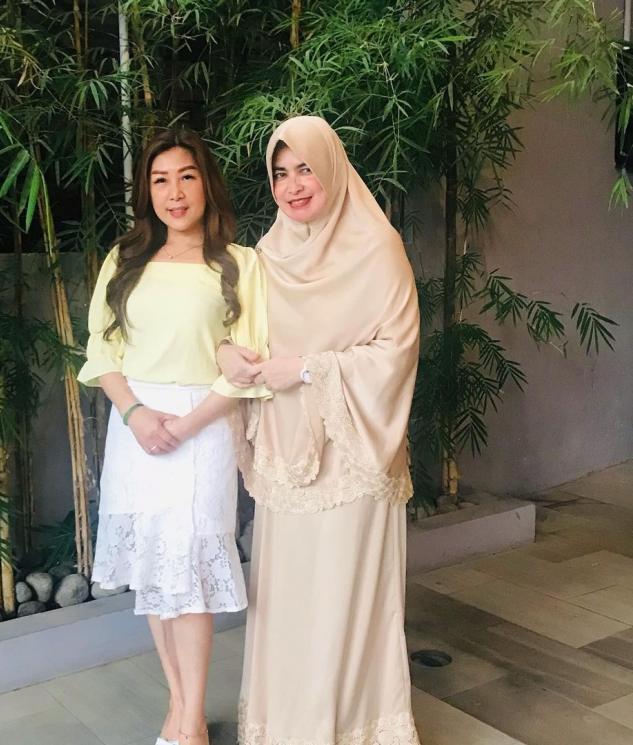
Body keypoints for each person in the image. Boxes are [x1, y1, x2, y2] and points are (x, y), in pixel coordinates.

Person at [217, 116, 421, 745]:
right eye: (280, 173)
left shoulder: (377, 247)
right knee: (290, 601)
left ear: (332, 167)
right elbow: (238, 330)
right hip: (288, 457)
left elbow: (397, 350)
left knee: (344, 600)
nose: (293, 186)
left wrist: (306, 368)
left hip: (354, 457)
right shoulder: (268, 255)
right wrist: (228, 352)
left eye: (305, 168)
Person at [77, 128, 269, 745]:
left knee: (188, 578)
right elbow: (101, 349)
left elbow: (252, 360)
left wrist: (185, 424)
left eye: (186, 176)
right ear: (147, 192)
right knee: (155, 574)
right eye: (160, 180)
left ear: (207, 185)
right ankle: (181, 707)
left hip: (202, 426)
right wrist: (135, 414)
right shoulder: (124, 260)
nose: (174, 192)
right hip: (135, 426)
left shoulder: (240, 264)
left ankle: (189, 721)